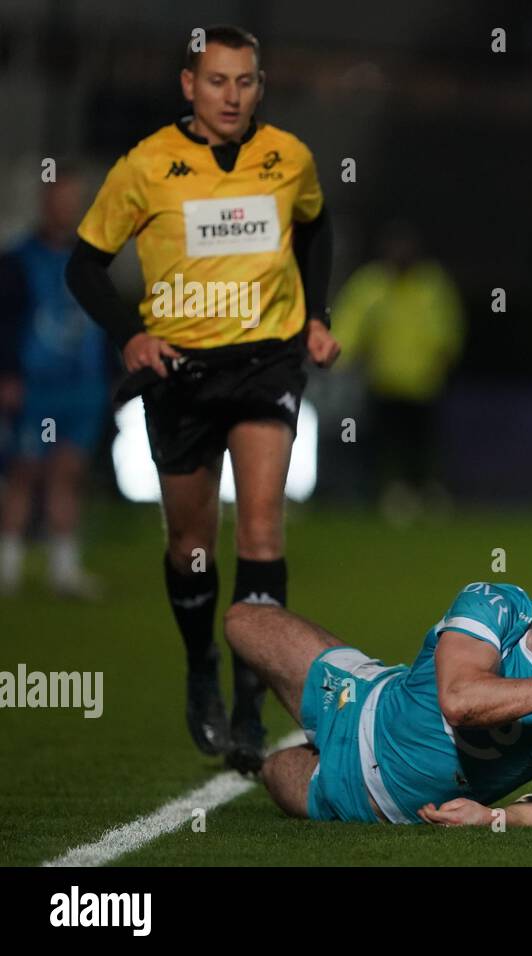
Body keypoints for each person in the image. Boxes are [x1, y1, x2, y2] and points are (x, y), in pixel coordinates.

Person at [65, 24, 339, 772]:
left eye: (246, 81)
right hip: (181, 372)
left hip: (266, 364)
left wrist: (318, 317)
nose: (233, 95)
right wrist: (131, 335)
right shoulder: (147, 165)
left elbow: (316, 230)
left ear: (260, 85)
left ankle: (252, 703)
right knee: (190, 547)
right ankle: (200, 670)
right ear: (189, 85)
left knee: (260, 531)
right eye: (217, 81)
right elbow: (85, 266)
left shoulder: (289, 157)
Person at [224, 572, 532, 825]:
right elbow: (459, 700)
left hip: (363, 795)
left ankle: (293, 750)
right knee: (243, 621)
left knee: (274, 768)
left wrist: (493, 819)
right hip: (362, 697)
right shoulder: (496, 603)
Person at [0, 172, 110, 599]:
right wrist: (7, 374)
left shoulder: (93, 260)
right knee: (25, 471)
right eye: (58, 198)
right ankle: (8, 565)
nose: (65, 207)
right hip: (35, 387)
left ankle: (63, 567)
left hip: (82, 389)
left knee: (69, 472)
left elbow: (106, 320)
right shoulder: (17, 261)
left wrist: (113, 378)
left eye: (72, 199)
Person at [330, 220, 465, 520]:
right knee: (386, 443)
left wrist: (444, 356)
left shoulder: (431, 284)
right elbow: (350, 323)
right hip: (384, 382)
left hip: (424, 384)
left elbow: (448, 326)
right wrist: (339, 356)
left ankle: (427, 493)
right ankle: (394, 495)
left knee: (422, 443)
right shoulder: (371, 285)